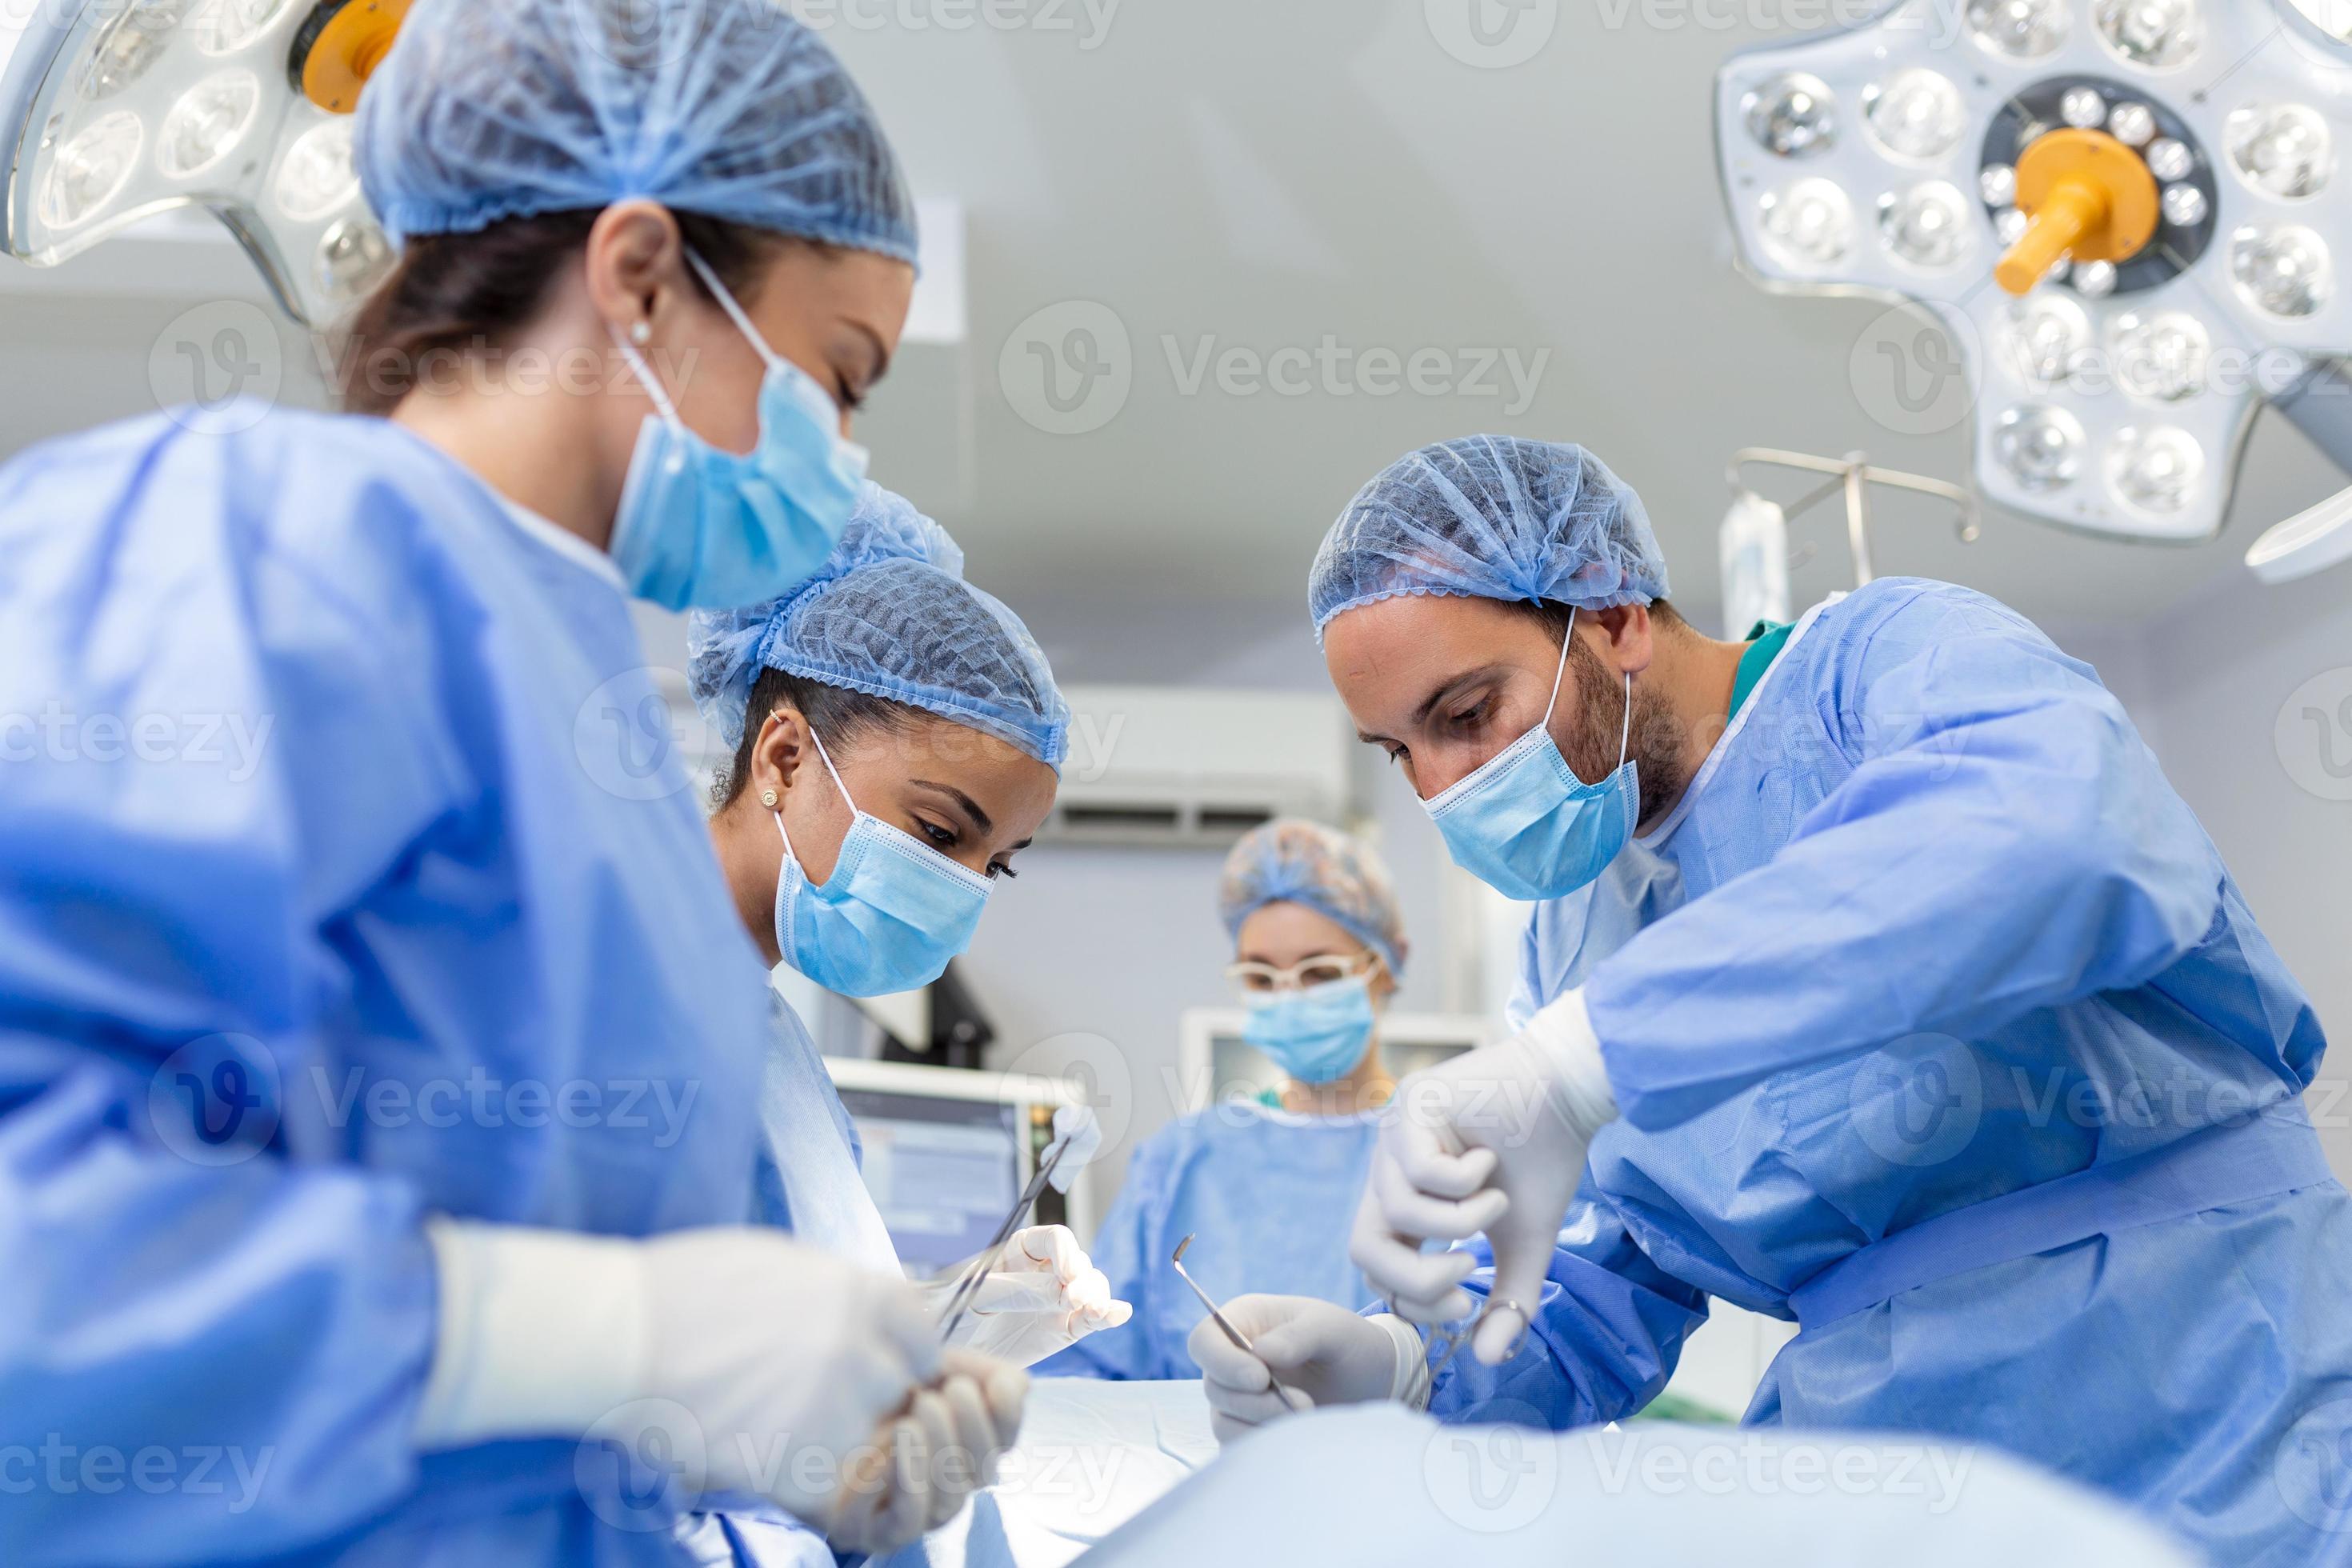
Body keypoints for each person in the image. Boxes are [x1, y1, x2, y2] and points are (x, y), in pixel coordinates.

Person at [0, 2, 1018, 1561]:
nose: (847, 455)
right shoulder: (264, 541)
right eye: (840, 371)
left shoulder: (587, 724)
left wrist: (777, 1457)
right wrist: (611, 1330)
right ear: (640, 273)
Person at [1188, 435, 2352, 1568]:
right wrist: (1406, 1369)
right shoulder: (1576, 931)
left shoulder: (1885, 665)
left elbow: (2060, 840)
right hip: (1874, 1466)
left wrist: (1590, 1054)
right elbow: (1607, 1282)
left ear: (1614, 618)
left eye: (1466, 713)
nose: (1441, 788)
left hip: (2216, 1399)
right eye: (1397, 752)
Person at [688, 482, 1131, 1363]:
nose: (961, 893)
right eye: (938, 832)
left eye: (995, 862)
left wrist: (941, 1315)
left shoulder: (767, 1039)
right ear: (783, 756)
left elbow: (781, 1326)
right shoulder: (621, 988)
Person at [1037, 818, 1406, 1380]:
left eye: (1320, 972)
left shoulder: (1444, 1149)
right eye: (1261, 977)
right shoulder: (1185, 1159)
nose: (1290, 996)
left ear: (1387, 967)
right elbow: (1090, 1360)